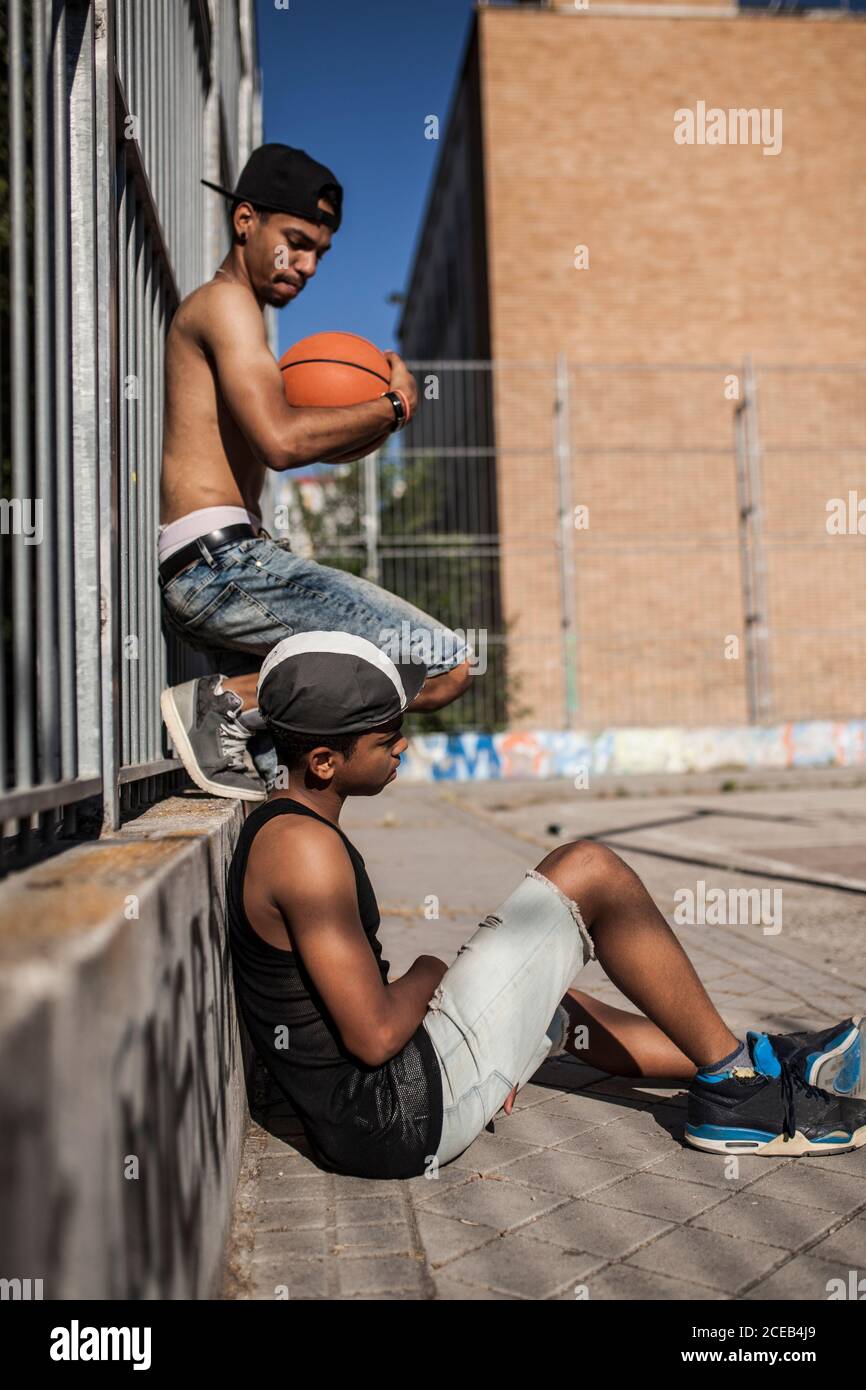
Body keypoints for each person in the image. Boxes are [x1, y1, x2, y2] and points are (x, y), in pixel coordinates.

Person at [225, 630, 866, 1181]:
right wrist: (429, 970)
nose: (403, 746)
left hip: (386, 1107)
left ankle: (762, 1062)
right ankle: (737, 1097)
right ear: (324, 761)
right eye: (388, 736)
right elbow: (372, 1036)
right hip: (400, 1116)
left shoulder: (285, 825)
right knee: (589, 870)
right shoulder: (305, 851)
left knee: (548, 997)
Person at [157, 144, 472, 802]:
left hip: (221, 565)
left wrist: (376, 420)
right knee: (441, 664)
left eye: (320, 254)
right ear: (246, 220)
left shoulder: (245, 321)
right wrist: (392, 404)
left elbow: (293, 440)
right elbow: (282, 442)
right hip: (223, 568)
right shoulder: (225, 305)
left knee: (290, 789)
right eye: (295, 242)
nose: (306, 266)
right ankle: (227, 699)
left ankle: (241, 717)